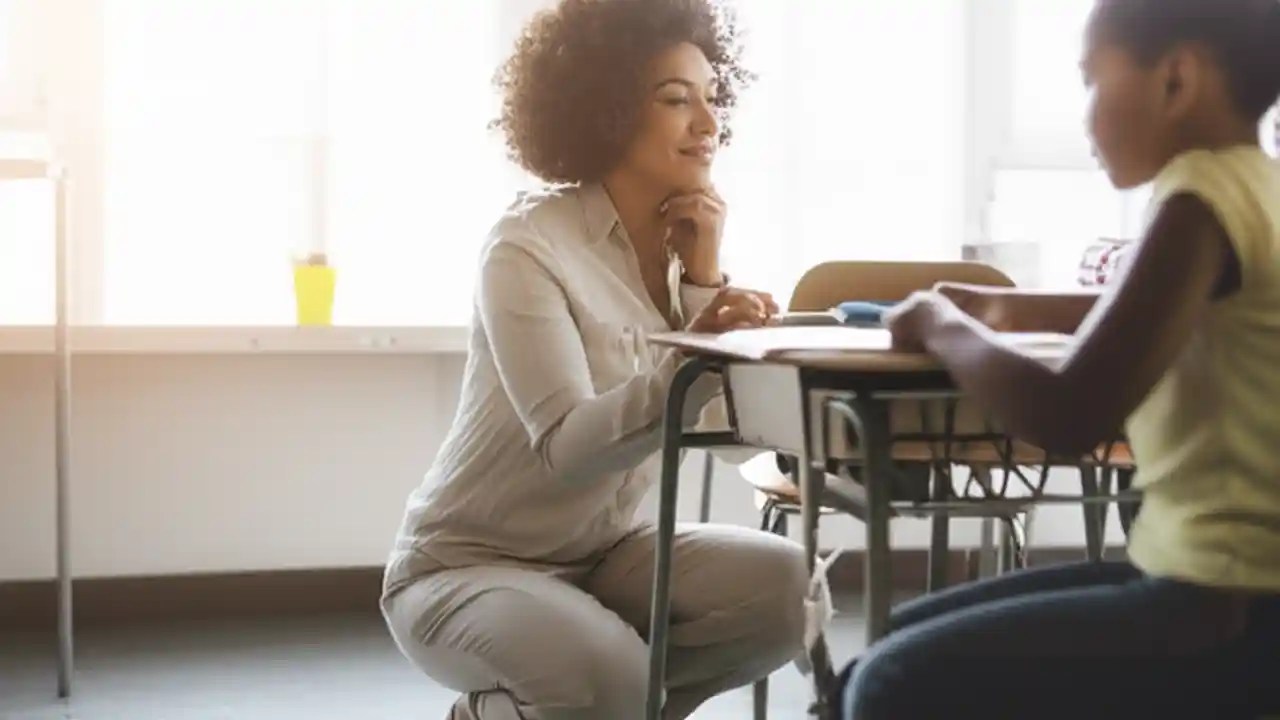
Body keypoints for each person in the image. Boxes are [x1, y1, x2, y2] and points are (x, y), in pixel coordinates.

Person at [837, 0, 1280, 718]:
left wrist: (943, 324)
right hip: (1211, 583)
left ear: (1176, 80)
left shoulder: (1200, 196)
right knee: (890, 639)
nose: (1084, 116)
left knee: (884, 684)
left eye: (1091, 80)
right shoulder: (1255, 184)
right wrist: (1008, 309)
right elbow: (1167, 316)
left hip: (1220, 604)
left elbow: (1069, 413)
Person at [380, 1, 808, 718]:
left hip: (605, 557)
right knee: (609, 675)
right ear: (606, 110)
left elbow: (732, 451)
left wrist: (705, 286)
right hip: (465, 569)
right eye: (677, 99)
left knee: (791, 590)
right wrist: (692, 351)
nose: (708, 123)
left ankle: (610, 709)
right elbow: (568, 450)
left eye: (712, 98)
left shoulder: (682, 257)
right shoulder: (526, 245)